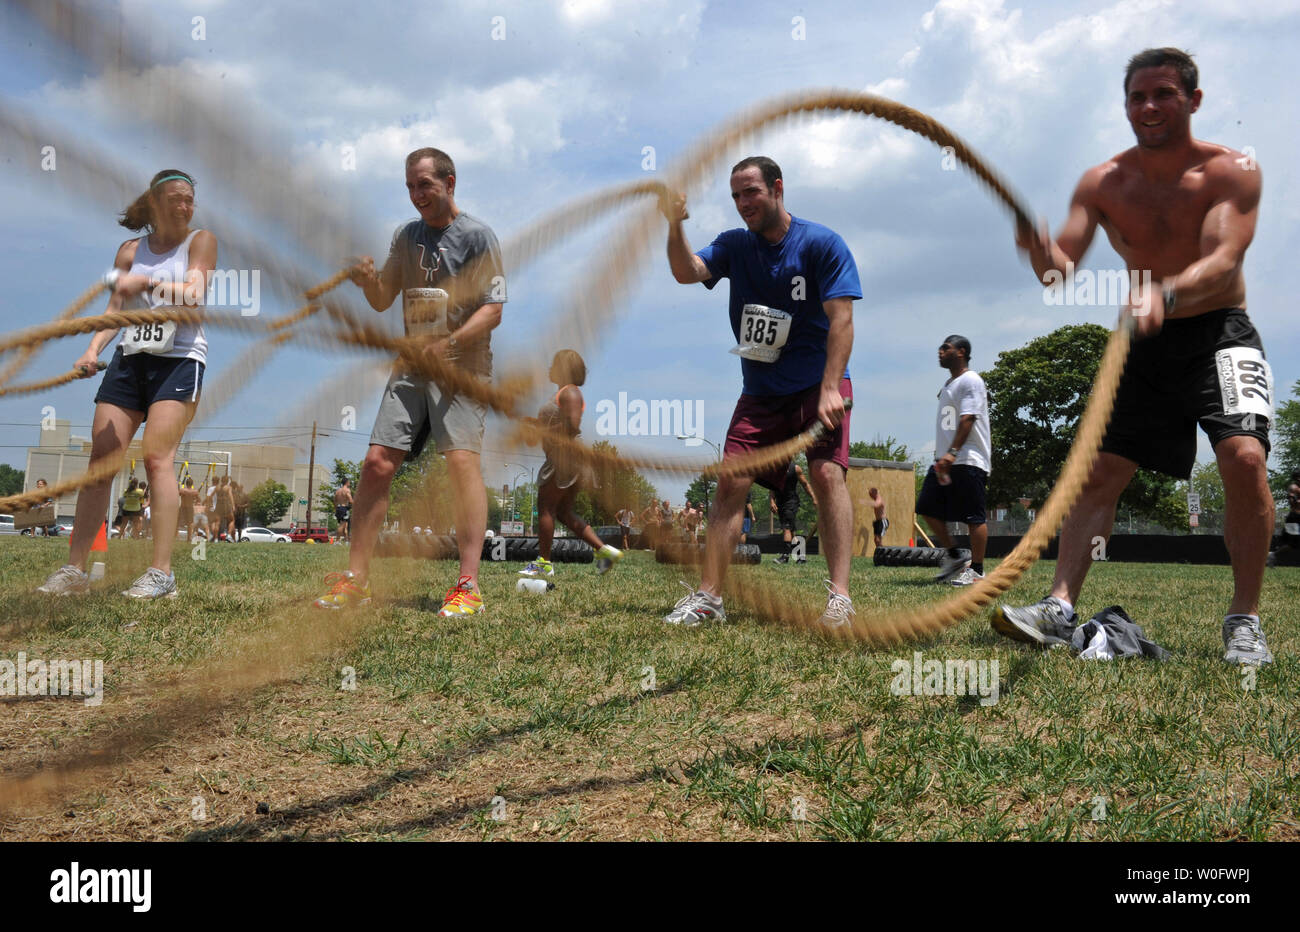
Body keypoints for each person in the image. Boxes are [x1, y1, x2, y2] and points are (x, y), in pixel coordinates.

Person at [998, 48, 1275, 665]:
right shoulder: (1102, 183)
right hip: (1142, 341)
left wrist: (1168, 291)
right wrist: (1037, 249)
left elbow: (1224, 257)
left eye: (1164, 94)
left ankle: (1245, 621)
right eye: (1136, 97)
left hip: (1219, 332)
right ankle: (1060, 609)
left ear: (1194, 101)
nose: (1148, 107)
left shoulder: (1232, 171)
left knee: (1244, 456)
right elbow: (1058, 270)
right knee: (1099, 473)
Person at [658, 155, 859, 628]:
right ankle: (710, 598)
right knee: (730, 481)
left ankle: (840, 599)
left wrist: (831, 387)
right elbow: (686, 271)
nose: (743, 203)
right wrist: (673, 224)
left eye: (751, 192)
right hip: (762, 391)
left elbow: (843, 319)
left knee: (827, 476)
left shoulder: (821, 243)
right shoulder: (734, 246)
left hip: (819, 384)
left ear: (777, 188)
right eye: (735, 196)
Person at [313, 147, 506, 616]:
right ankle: (357, 579)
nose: (417, 195)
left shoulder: (479, 237)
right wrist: (365, 281)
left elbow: (494, 309)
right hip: (412, 366)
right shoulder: (406, 236)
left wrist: (450, 342)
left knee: (461, 467)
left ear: (450, 183)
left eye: (425, 185)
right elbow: (383, 299)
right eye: (410, 187)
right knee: (377, 463)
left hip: (463, 368)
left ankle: (468, 587)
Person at [36, 169, 214, 598]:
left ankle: (162, 573)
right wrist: (92, 350)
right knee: (102, 461)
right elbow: (115, 308)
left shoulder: (200, 241)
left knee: (157, 458)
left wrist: (149, 281)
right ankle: (74, 571)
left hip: (179, 360)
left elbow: (194, 293)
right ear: (154, 203)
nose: (185, 206)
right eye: (175, 198)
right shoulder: (130, 250)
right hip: (129, 360)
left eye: (189, 199)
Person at [518, 350, 622, 578]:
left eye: (554, 364)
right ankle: (604, 551)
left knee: (546, 507)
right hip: (565, 456)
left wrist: (541, 429)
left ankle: (544, 563)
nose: (550, 368)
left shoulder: (571, 392)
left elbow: (572, 426)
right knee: (563, 512)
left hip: (565, 456)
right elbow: (558, 422)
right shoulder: (562, 393)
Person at [916, 334, 991, 586]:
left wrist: (953, 452)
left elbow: (968, 418)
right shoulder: (950, 383)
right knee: (926, 507)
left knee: (974, 517)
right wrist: (944, 456)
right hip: (945, 460)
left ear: (961, 352)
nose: (939, 351)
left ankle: (978, 570)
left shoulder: (971, 380)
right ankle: (955, 556)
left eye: (945, 348)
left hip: (967, 458)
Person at [769, 460, 816, 564]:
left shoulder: (795, 468)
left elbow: (805, 484)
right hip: (780, 503)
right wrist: (772, 501)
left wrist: (814, 497)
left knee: (786, 528)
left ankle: (785, 556)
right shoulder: (774, 469)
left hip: (791, 503)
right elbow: (772, 487)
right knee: (791, 532)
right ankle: (801, 557)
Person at [178, 476, 199, 541]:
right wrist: (194, 501)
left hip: (183, 507)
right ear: (192, 484)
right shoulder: (195, 492)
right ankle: (189, 538)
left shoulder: (182, 490)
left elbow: (177, 495)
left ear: (186, 483)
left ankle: (175, 536)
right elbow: (198, 500)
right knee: (190, 523)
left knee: (177, 522)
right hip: (190, 507)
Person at [334, 478, 354, 543]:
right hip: (344, 508)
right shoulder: (347, 490)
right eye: (349, 482)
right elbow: (350, 499)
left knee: (345, 525)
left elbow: (335, 500)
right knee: (342, 525)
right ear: (347, 482)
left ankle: (346, 541)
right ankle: (337, 541)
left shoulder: (338, 491)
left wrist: (336, 508)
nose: (349, 483)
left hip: (339, 508)